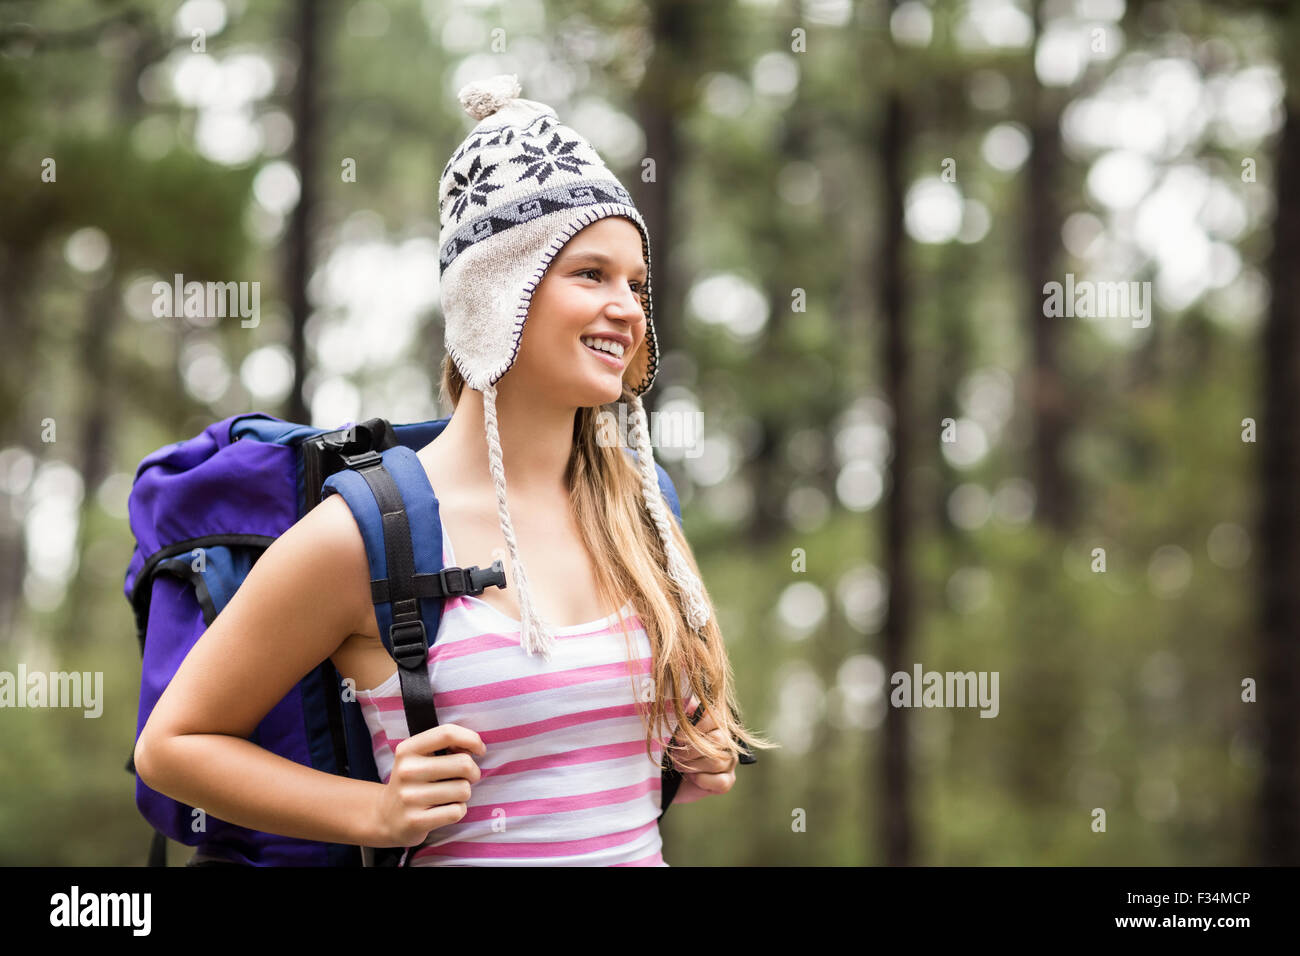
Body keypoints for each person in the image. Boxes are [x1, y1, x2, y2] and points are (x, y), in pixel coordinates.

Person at [135, 74, 773, 866]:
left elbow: (641, 764)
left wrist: (693, 756)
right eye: (590, 275)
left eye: (637, 284)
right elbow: (175, 744)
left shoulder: (641, 508)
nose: (629, 309)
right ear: (496, 292)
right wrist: (376, 812)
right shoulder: (372, 529)